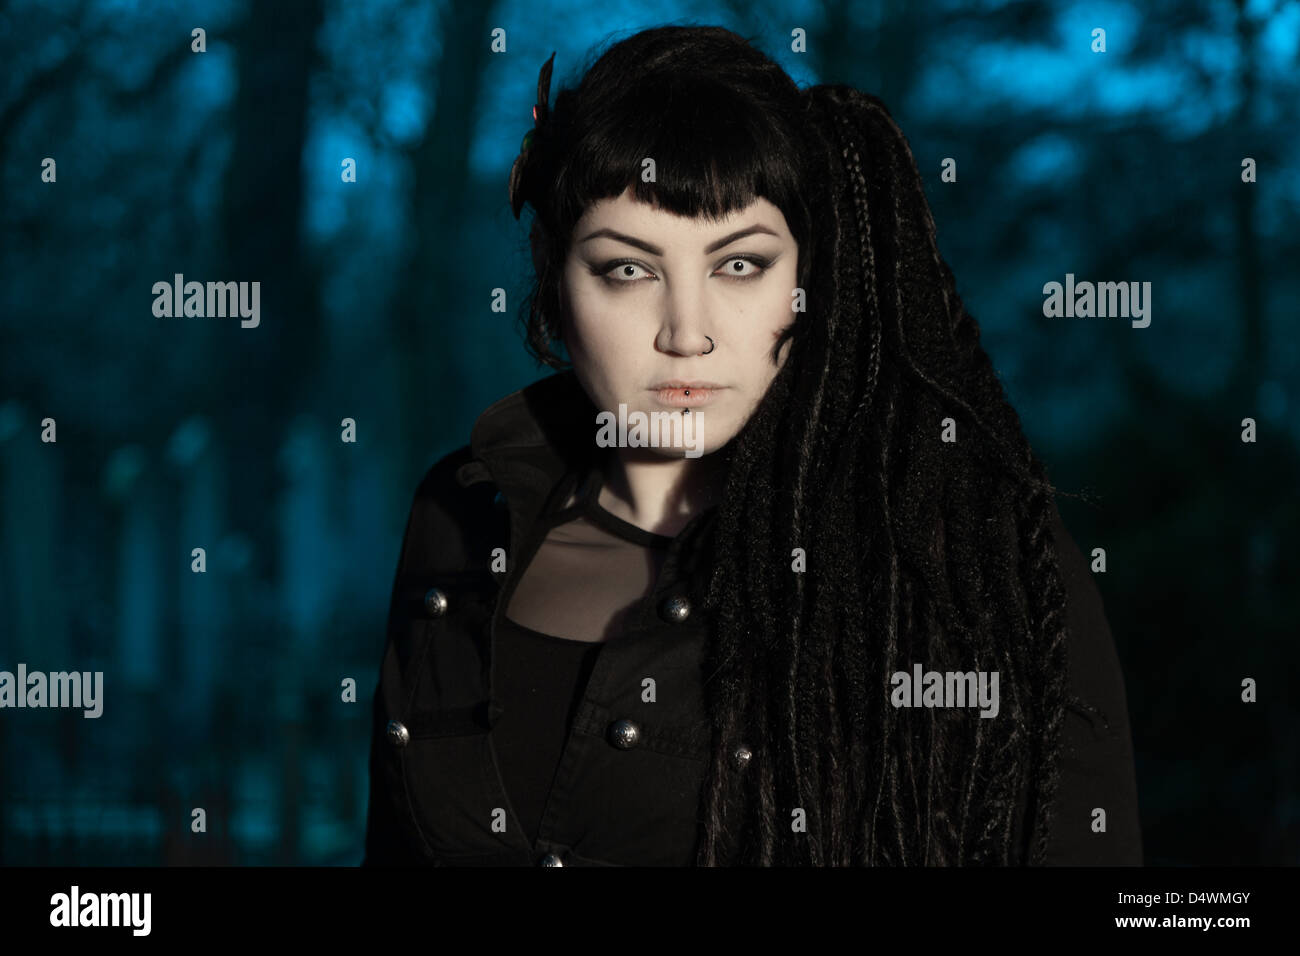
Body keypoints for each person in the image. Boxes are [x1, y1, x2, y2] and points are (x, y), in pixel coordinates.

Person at [362, 24, 1142, 866]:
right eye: (628, 269)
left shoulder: (968, 567)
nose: (687, 333)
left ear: (810, 283)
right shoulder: (461, 516)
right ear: (555, 281)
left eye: (739, 266)